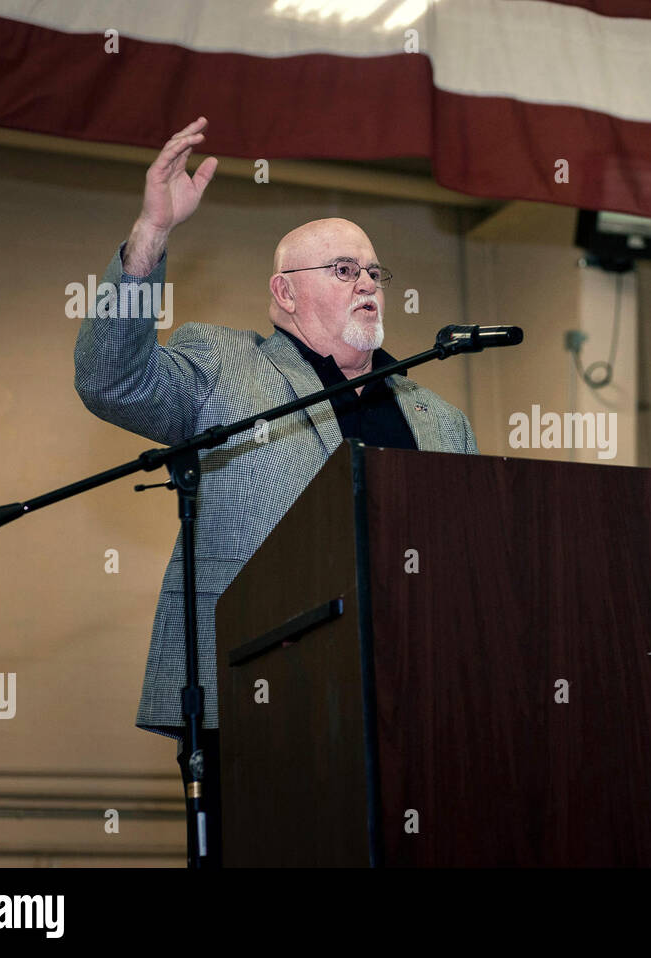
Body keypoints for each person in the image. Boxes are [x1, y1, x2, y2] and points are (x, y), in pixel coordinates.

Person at [73, 118, 478, 864]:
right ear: (284, 294)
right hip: (258, 702)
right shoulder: (226, 366)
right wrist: (150, 237)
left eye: (373, 272)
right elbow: (113, 380)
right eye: (343, 268)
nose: (366, 282)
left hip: (409, 706)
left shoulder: (440, 418)